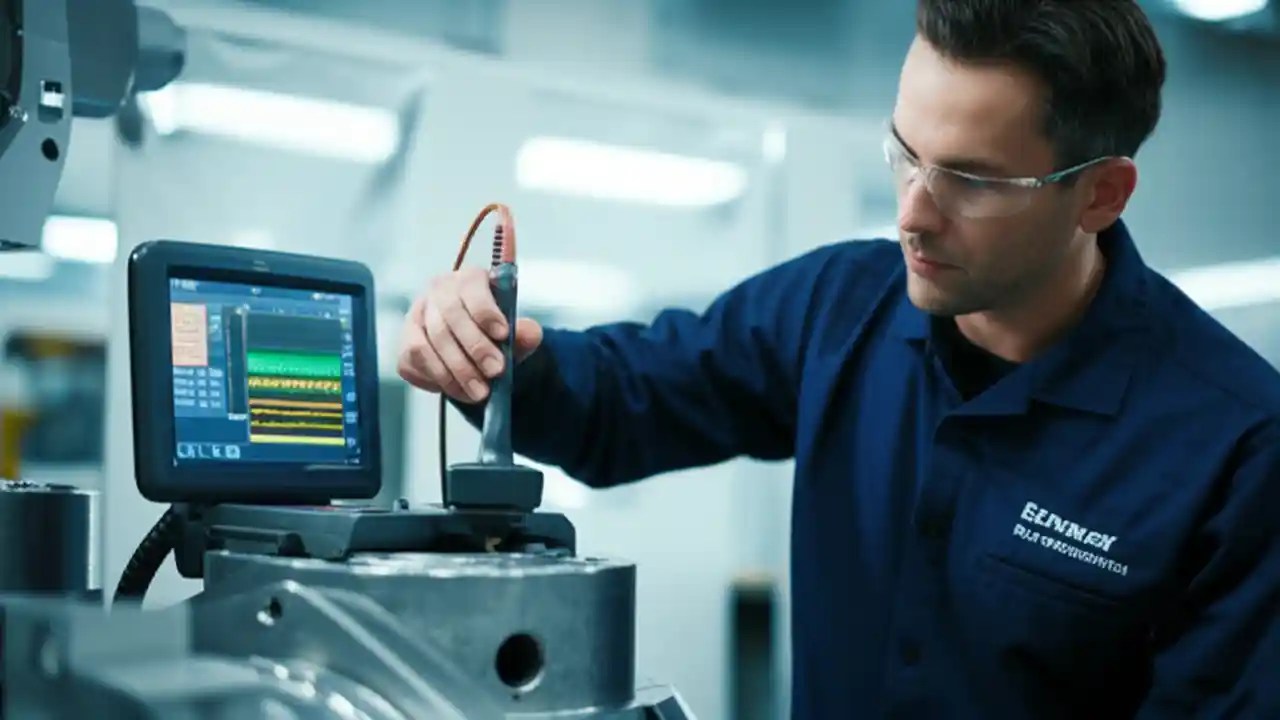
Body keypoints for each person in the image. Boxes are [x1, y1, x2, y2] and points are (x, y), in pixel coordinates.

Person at [398, 0, 1280, 717]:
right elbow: (624, 401)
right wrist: (490, 352)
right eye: (905, 153)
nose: (912, 214)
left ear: (1100, 193)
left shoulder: (1235, 448)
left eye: (970, 180)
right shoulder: (838, 308)